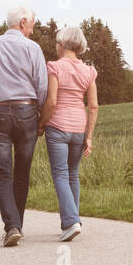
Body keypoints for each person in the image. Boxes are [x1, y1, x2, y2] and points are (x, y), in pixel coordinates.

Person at [0, 6, 48, 247]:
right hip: (27, 110)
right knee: (22, 172)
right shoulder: (33, 48)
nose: (33, 31)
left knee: (2, 171)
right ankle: (16, 225)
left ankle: (12, 226)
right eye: (32, 25)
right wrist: (40, 117)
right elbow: (42, 85)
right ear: (23, 22)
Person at [39, 25, 99, 241]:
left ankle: (71, 221)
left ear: (62, 44)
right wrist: (89, 136)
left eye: (57, 42)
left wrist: (41, 123)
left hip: (58, 127)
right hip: (78, 129)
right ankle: (74, 220)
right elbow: (93, 106)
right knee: (72, 174)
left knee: (61, 174)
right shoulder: (89, 71)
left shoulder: (54, 67)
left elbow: (52, 101)